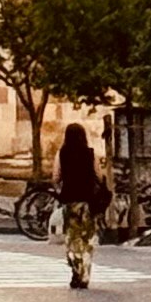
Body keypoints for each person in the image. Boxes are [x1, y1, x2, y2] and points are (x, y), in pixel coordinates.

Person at [55, 122, 108, 290]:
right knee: (86, 240)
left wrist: (61, 186)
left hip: (70, 202)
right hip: (87, 202)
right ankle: (85, 275)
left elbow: (55, 176)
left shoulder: (61, 153)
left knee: (72, 239)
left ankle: (75, 271)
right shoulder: (90, 154)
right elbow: (99, 176)